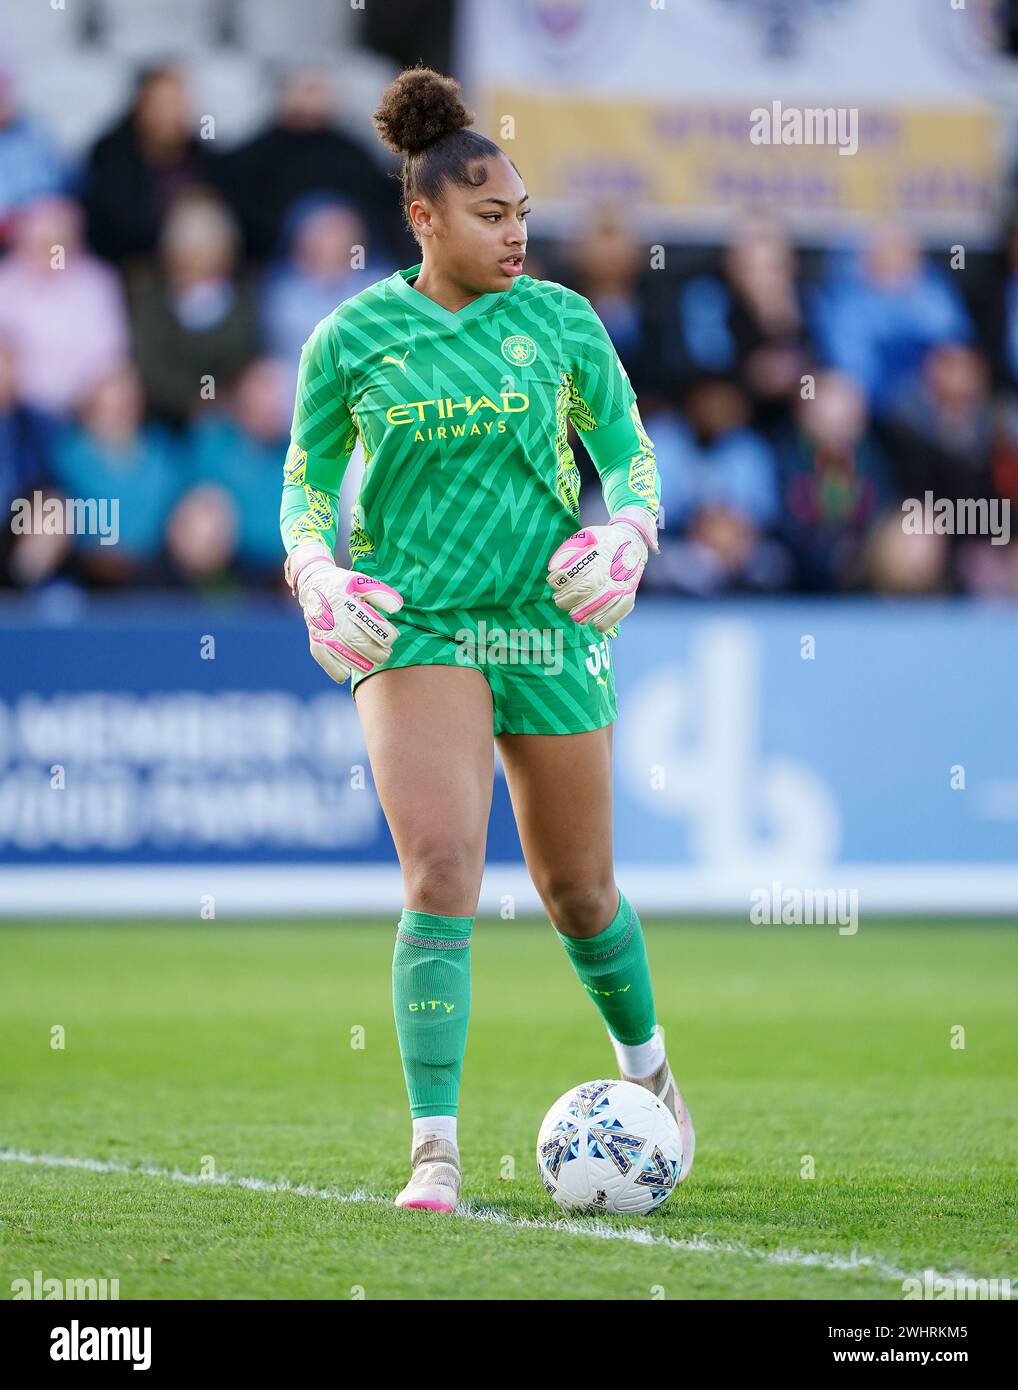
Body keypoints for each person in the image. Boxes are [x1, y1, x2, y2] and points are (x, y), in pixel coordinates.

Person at [278, 66, 693, 1213]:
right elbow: (305, 487)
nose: (517, 236)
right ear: (424, 217)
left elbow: (632, 455)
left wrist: (634, 533)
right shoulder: (350, 339)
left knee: (578, 891)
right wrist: (314, 568)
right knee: (443, 871)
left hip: (546, 619)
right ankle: (435, 1152)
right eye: (491, 216)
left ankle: (648, 1071)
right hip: (415, 624)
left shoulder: (559, 321)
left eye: (522, 215)